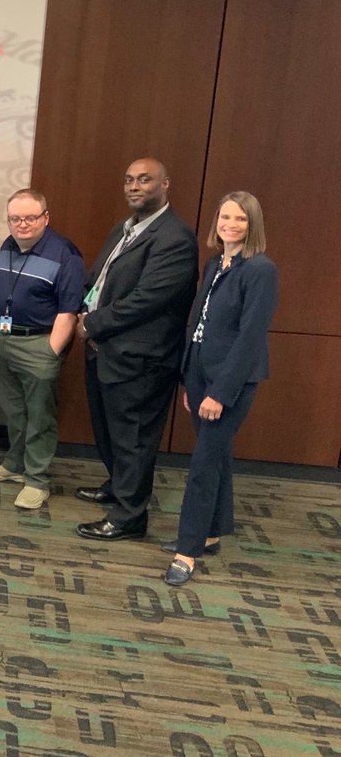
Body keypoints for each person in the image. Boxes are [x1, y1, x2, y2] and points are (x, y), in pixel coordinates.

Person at [75, 158, 198, 542]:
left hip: (141, 359)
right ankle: (118, 487)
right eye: (129, 179)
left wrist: (91, 323)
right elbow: (100, 279)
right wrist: (82, 308)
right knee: (110, 432)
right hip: (107, 350)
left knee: (134, 439)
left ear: (165, 184)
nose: (134, 186)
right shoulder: (124, 228)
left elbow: (147, 300)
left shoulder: (175, 238)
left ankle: (129, 517)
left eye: (144, 180)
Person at [163, 192, 277, 586]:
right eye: (225, 217)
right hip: (199, 372)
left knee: (203, 464)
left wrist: (220, 393)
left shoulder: (260, 270)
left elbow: (250, 338)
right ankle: (211, 532)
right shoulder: (215, 263)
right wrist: (189, 379)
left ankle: (187, 550)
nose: (230, 224)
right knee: (216, 455)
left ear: (253, 224)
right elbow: (200, 322)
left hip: (230, 381)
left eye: (240, 219)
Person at [0, 189, 83, 508]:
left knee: (40, 418)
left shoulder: (65, 254)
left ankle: (37, 479)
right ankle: (15, 465)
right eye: (15, 219)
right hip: (3, 340)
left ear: (45, 218)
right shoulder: (8, 245)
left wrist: (51, 351)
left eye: (30, 218)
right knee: (15, 412)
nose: (22, 224)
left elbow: (69, 310)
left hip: (39, 344)